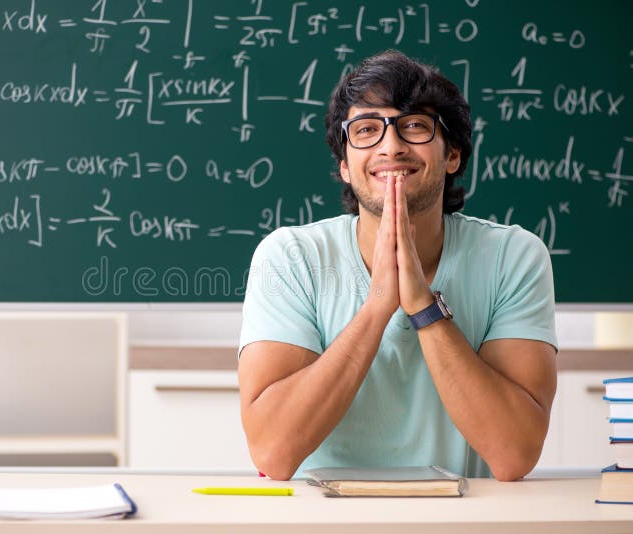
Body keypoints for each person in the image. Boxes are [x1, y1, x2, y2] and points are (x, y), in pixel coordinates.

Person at [237, 50, 558, 481]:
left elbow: (514, 454)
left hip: (463, 523)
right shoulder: (290, 256)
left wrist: (425, 308)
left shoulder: (514, 256)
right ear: (345, 166)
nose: (391, 146)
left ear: (453, 156)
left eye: (414, 126)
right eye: (367, 129)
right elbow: (273, 453)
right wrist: (378, 306)